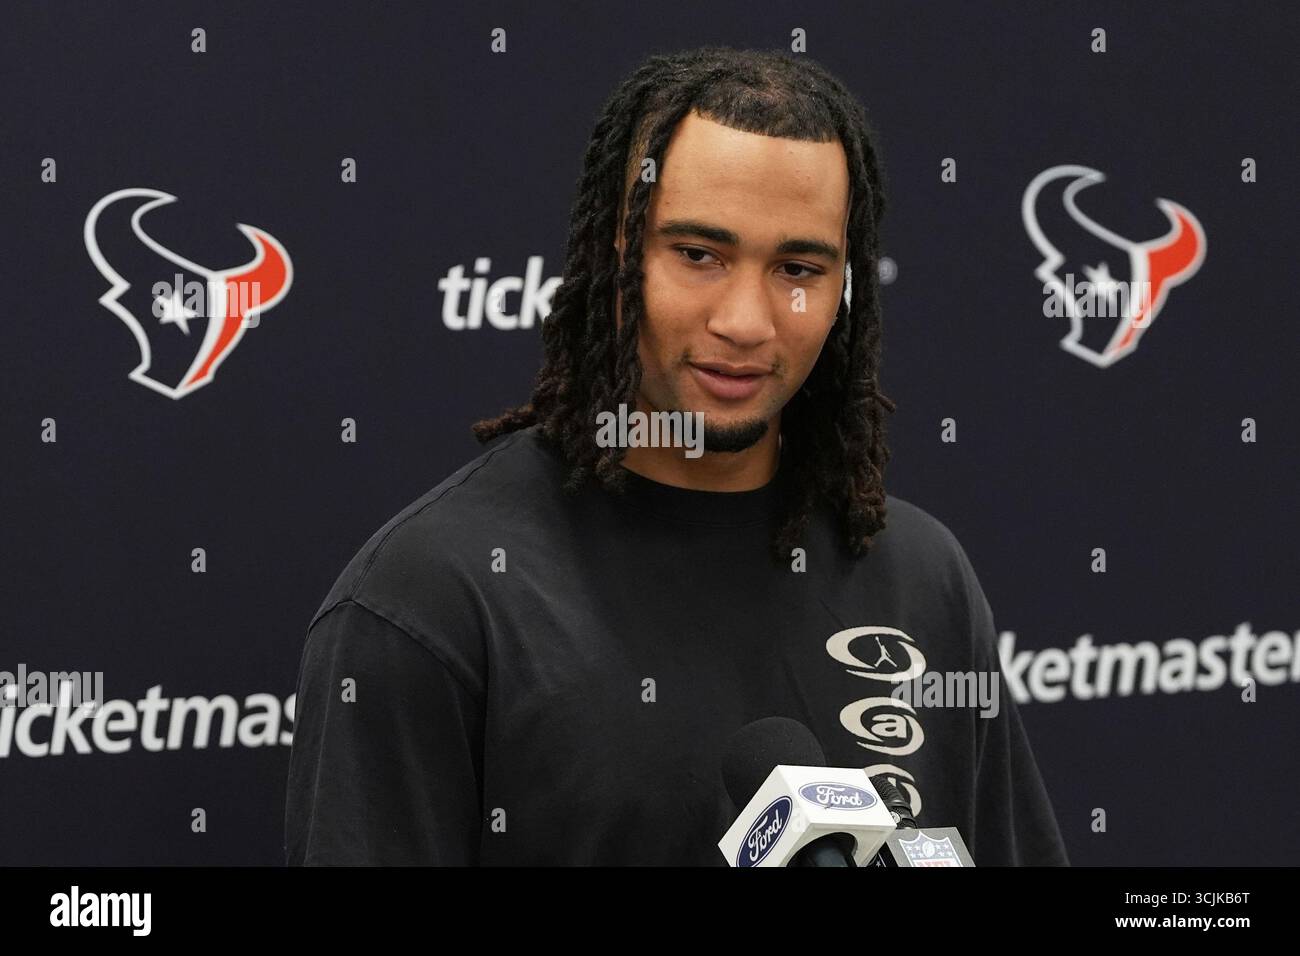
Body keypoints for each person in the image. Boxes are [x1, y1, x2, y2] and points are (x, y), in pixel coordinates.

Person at [284, 46, 1069, 866]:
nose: (746, 320)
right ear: (618, 254)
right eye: (699, 255)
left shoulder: (922, 577)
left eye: (797, 268)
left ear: (845, 287)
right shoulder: (431, 601)